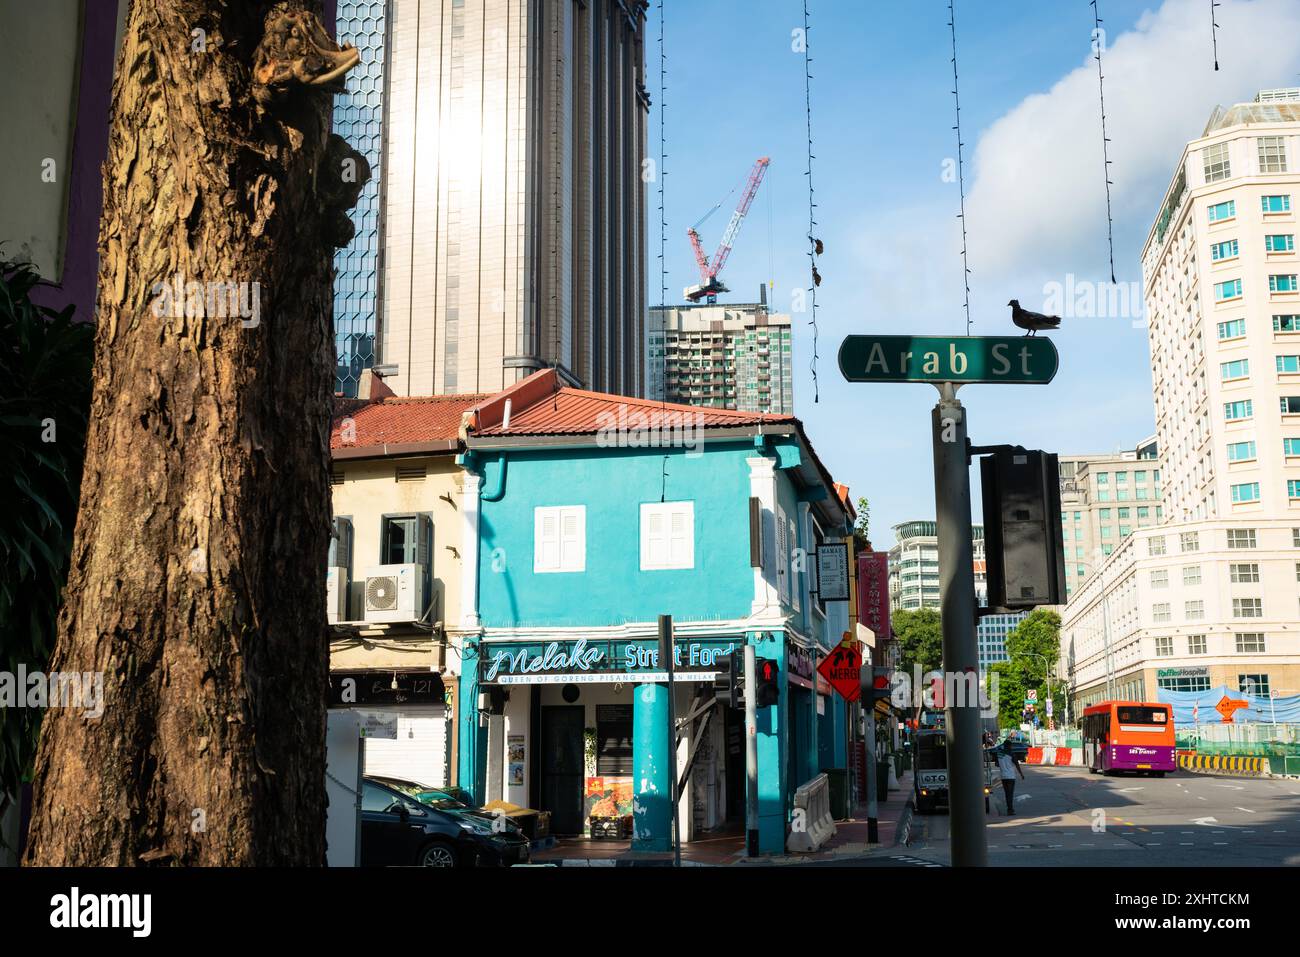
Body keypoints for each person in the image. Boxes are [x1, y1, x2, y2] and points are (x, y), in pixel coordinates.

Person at [997, 743, 1025, 815]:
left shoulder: (999, 754)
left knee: (1007, 794)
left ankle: (1009, 808)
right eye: (1011, 746)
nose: (1011, 747)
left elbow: (997, 764)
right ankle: (1010, 810)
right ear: (1009, 746)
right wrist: (1021, 774)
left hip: (1003, 776)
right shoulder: (1011, 754)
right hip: (1011, 776)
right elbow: (1017, 764)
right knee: (1010, 794)